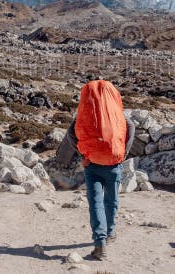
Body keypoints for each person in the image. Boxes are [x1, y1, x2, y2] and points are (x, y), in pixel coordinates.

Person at [54, 79, 135, 260]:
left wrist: (82, 155)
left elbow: (71, 134)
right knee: (112, 200)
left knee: (96, 203)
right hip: (114, 164)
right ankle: (111, 232)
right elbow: (131, 126)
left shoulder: (85, 113)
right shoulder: (116, 112)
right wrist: (124, 152)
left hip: (91, 165)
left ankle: (99, 244)